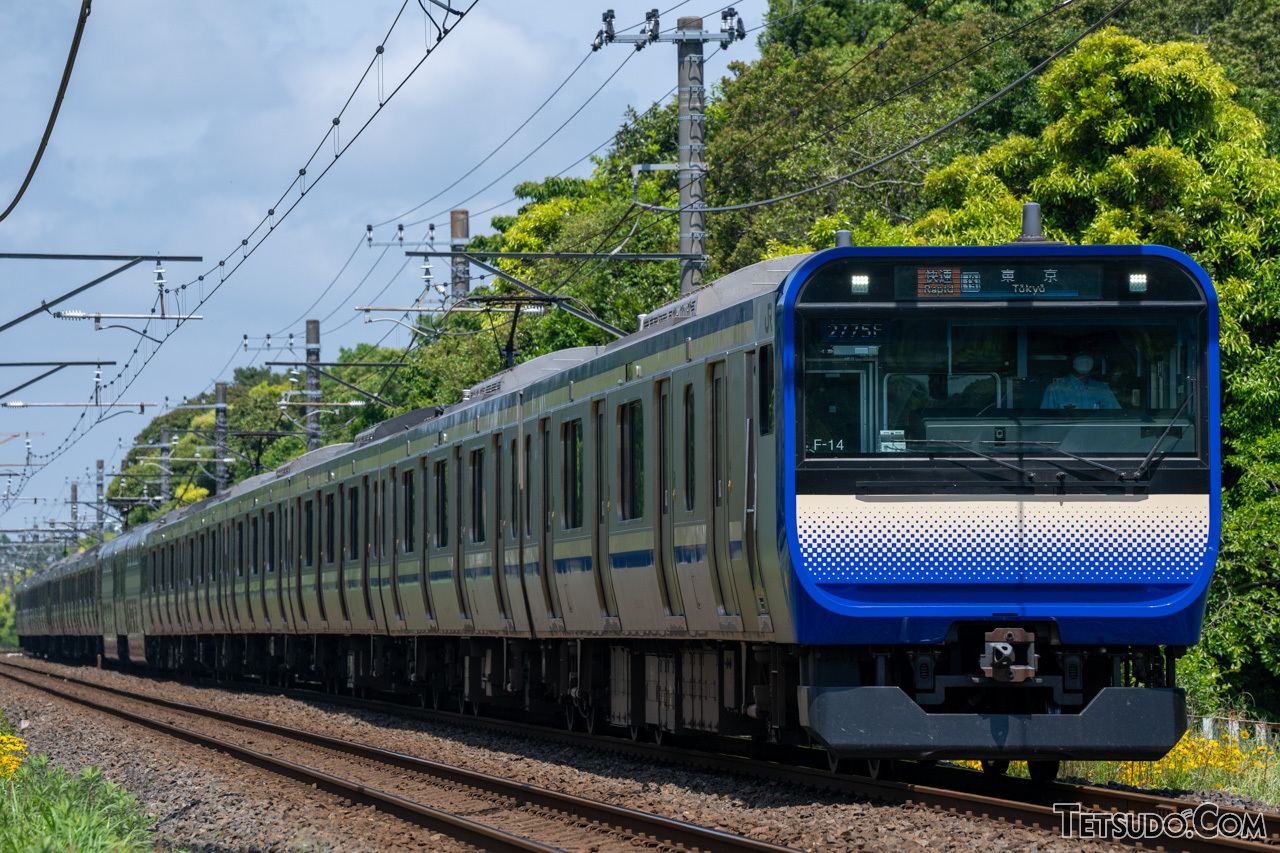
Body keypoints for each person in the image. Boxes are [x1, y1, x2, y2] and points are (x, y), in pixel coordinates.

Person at [1040, 351, 1121, 410]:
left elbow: (1117, 417)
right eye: (1080, 353)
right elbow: (1045, 421)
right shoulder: (1055, 390)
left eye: (1088, 353)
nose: (1084, 357)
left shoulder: (1103, 389)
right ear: (1070, 359)